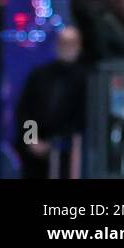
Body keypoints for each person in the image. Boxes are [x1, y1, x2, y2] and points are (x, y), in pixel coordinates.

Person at [14, 27, 88, 178]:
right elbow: (25, 111)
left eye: (71, 43)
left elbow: (83, 119)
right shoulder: (39, 74)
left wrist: (56, 144)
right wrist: (32, 140)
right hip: (35, 153)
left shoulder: (86, 79)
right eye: (63, 42)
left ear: (79, 46)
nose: (67, 47)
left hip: (69, 153)